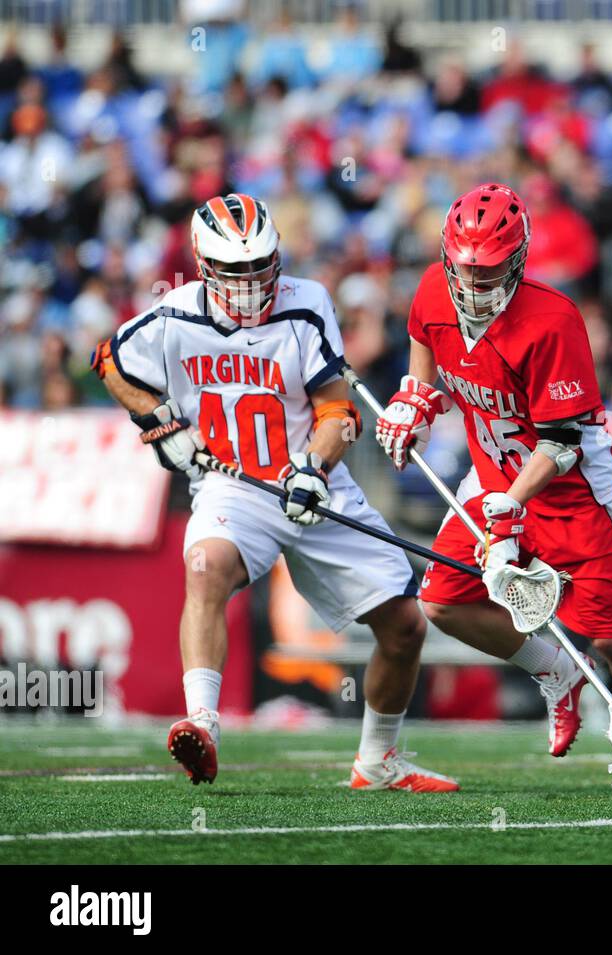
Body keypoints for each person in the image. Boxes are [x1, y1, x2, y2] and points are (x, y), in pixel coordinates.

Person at [95, 193, 455, 791]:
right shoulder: (173, 316)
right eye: (235, 270)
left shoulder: (307, 303)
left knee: (405, 626)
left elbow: (335, 409)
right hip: (233, 488)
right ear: (204, 265)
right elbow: (109, 361)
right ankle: (202, 723)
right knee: (205, 563)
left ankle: (378, 761)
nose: (250, 281)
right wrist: (159, 421)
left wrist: (313, 468)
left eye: (260, 264)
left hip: (313, 483)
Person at [375, 183, 612, 793]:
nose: (471, 287)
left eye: (487, 274)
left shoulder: (551, 320)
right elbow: (422, 342)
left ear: (516, 263)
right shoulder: (435, 292)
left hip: (569, 491)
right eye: (463, 271)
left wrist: (511, 507)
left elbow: (560, 443)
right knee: (441, 599)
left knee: (609, 637)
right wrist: (414, 398)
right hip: (492, 475)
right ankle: (556, 671)